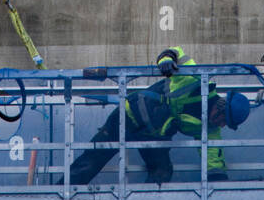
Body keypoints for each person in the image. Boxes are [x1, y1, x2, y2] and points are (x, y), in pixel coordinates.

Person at [66, 46, 250, 186]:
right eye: (224, 119)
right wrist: (166, 59)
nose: (222, 125)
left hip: (150, 135)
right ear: (220, 106)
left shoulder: (210, 128)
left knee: (162, 172)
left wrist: (219, 185)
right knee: (90, 162)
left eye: (227, 124)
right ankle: (62, 192)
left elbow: (214, 160)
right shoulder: (194, 81)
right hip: (127, 116)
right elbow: (176, 52)